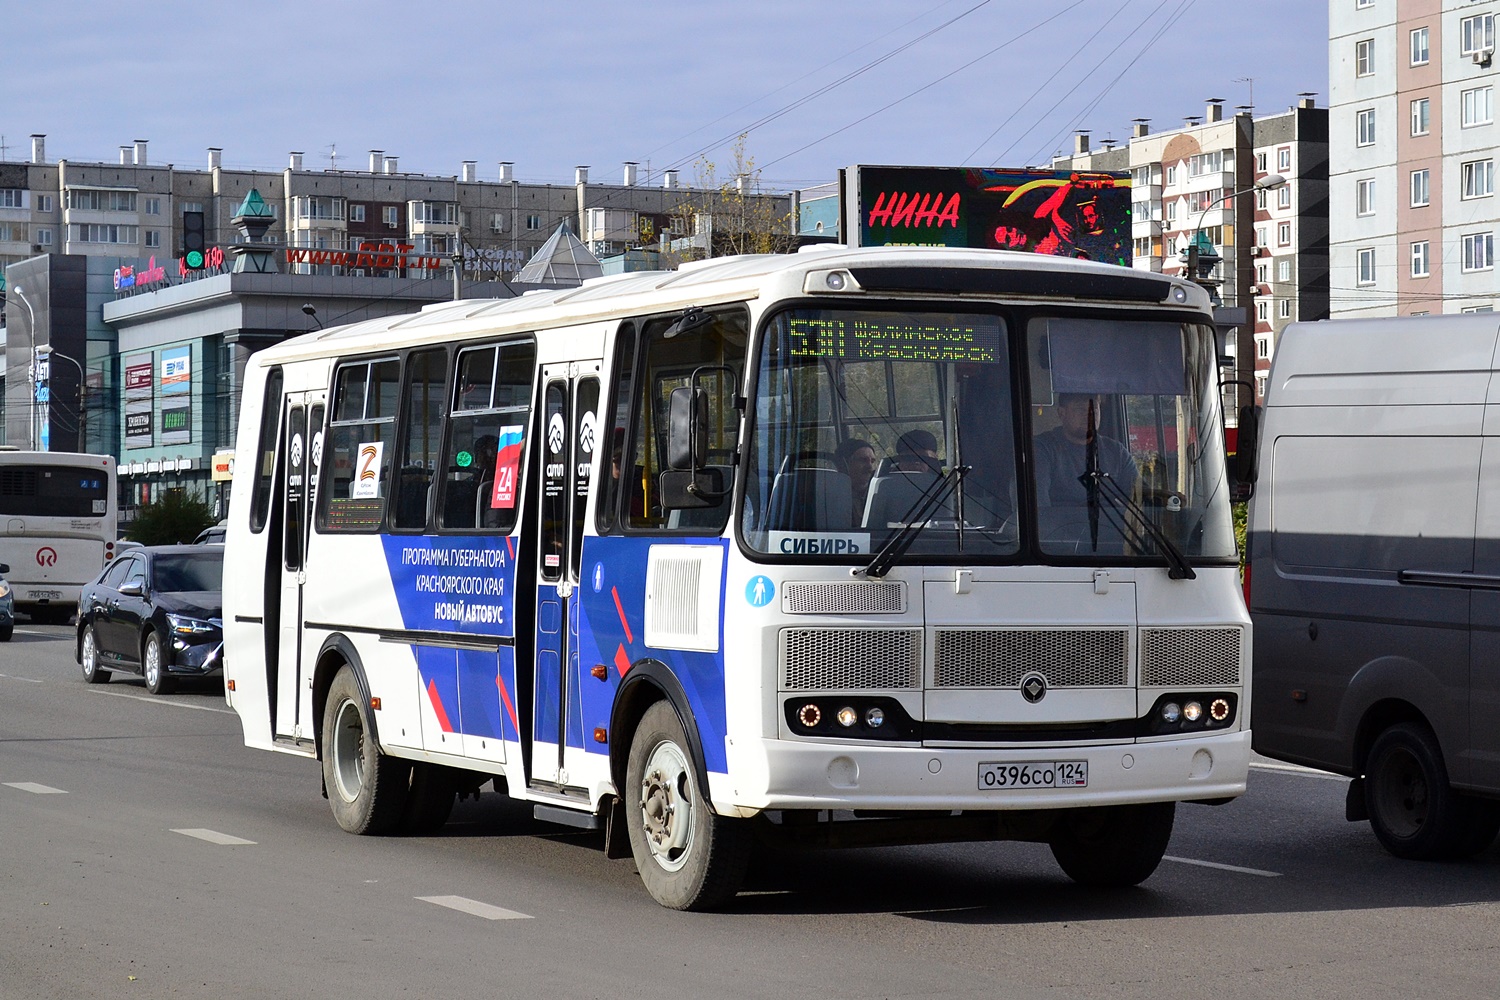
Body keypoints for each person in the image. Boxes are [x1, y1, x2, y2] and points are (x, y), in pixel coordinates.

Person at [1033, 393, 1136, 506]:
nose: (1089, 415)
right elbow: (1036, 508)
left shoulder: (1116, 452)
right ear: (1062, 413)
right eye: (1081, 409)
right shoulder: (1042, 449)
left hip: (1110, 523)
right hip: (1060, 523)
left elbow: (1140, 498)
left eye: (1095, 409)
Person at [834, 438, 878, 523]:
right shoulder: (831, 496)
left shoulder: (878, 495)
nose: (870, 467)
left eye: (872, 461)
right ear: (844, 464)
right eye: (863, 460)